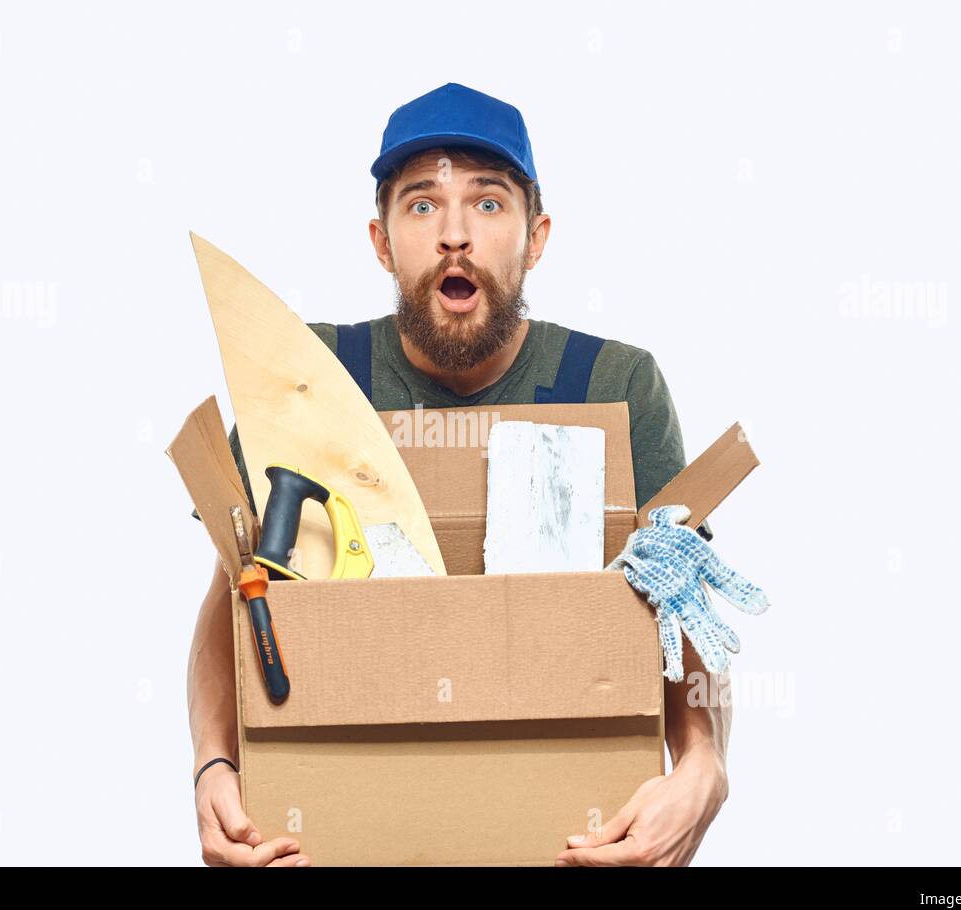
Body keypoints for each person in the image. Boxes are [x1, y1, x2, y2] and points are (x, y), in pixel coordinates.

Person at [188, 82, 729, 867]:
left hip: (571, 845)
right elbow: (230, 599)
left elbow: (687, 611)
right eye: (420, 205)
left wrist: (707, 764)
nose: (453, 235)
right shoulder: (305, 381)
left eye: (487, 203)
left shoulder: (616, 384)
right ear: (380, 240)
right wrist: (213, 763)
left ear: (535, 235)